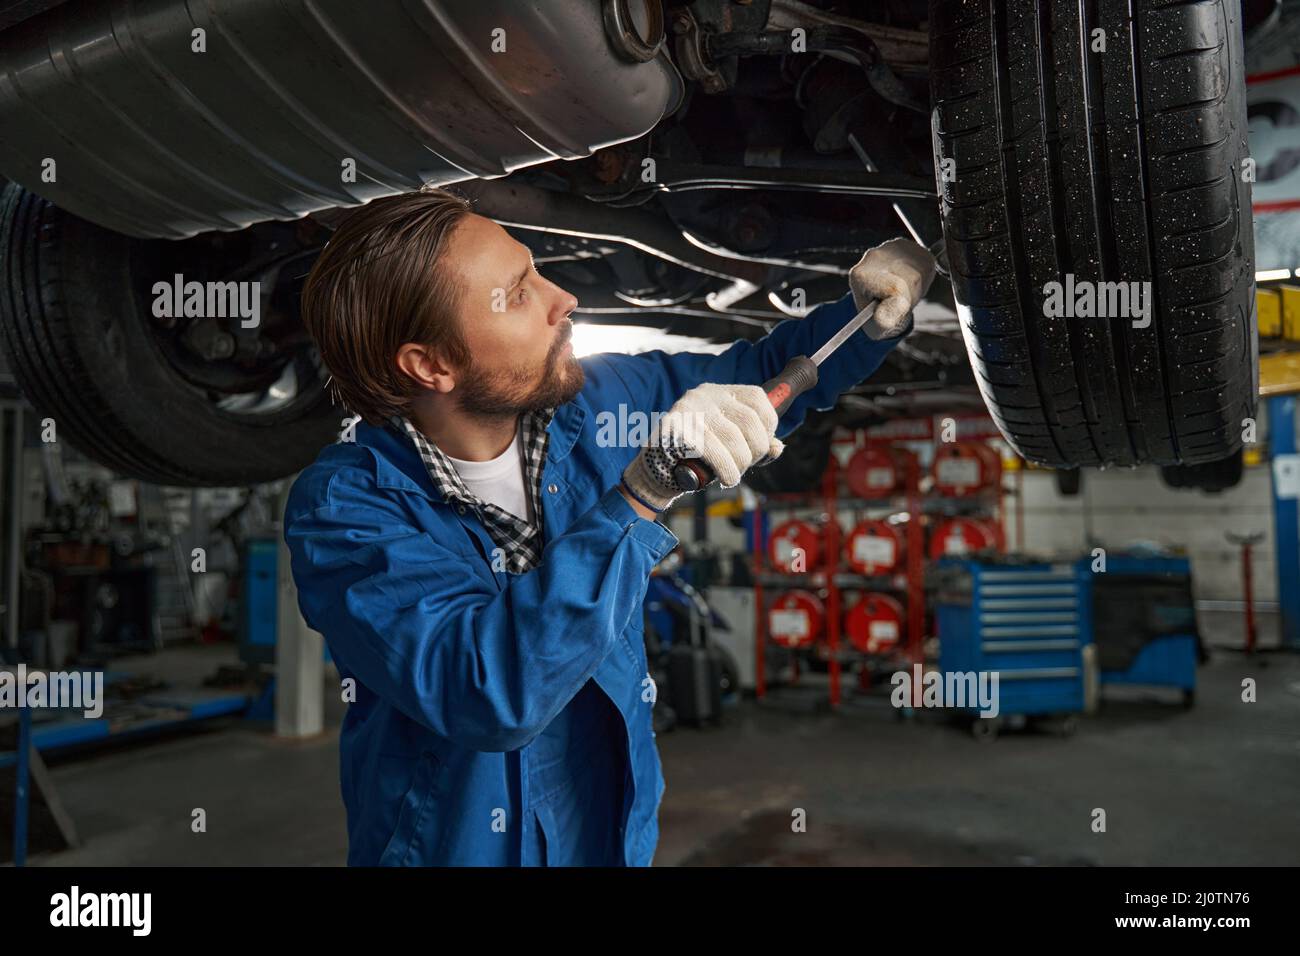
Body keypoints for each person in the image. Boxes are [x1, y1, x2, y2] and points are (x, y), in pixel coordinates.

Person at [283, 185, 937, 866]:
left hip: (603, 836)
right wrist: (643, 492)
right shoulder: (346, 509)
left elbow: (758, 379)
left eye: (535, 268)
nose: (562, 298)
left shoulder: (602, 405)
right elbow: (486, 690)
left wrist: (868, 316)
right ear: (430, 365)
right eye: (515, 295)